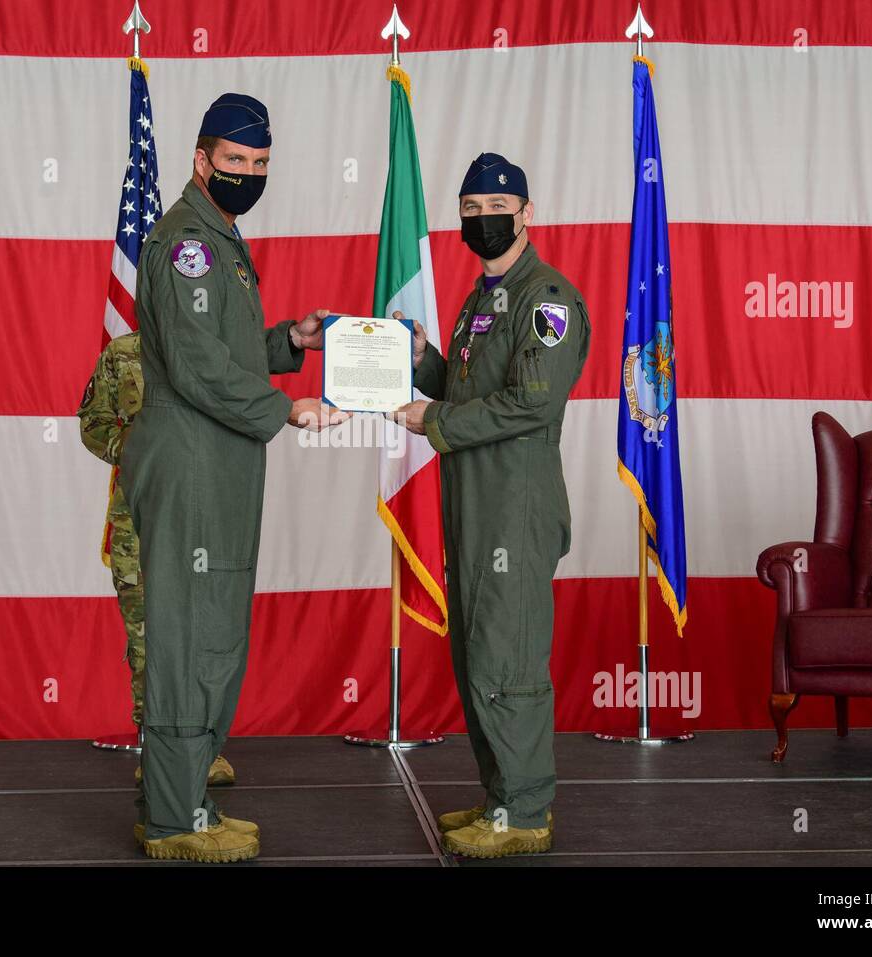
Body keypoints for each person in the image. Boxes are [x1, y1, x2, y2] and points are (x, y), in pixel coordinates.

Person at [118, 92, 342, 863]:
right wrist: (289, 410)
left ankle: (177, 799)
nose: (248, 175)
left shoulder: (220, 237)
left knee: (211, 625)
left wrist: (292, 340)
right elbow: (196, 364)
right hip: (191, 465)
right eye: (236, 162)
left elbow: (225, 345)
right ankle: (179, 819)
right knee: (189, 633)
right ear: (201, 159)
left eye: (260, 165)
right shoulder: (187, 241)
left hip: (220, 463)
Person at [390, 153, 591, 858]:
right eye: (470, 209)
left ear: (526, 213)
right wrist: (423, 363)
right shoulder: (482, 300)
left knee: (509, 659)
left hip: (516, 507)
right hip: (472, 506)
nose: (482, 220)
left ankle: (525, 810)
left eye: (495, 208)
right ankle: (498, 794)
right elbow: (473, 393)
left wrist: (432, 421)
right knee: (479, 657)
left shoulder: (549, 301)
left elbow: (531, 403)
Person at [76, 332, 236, 789]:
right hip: (138, 518)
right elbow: (94, 420)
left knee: (205, 631)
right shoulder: (122, 352)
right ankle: (159, 754)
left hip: (207, 515)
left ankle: (203, 748)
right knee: (147, 636)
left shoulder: (214, 348)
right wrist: (135, 450)